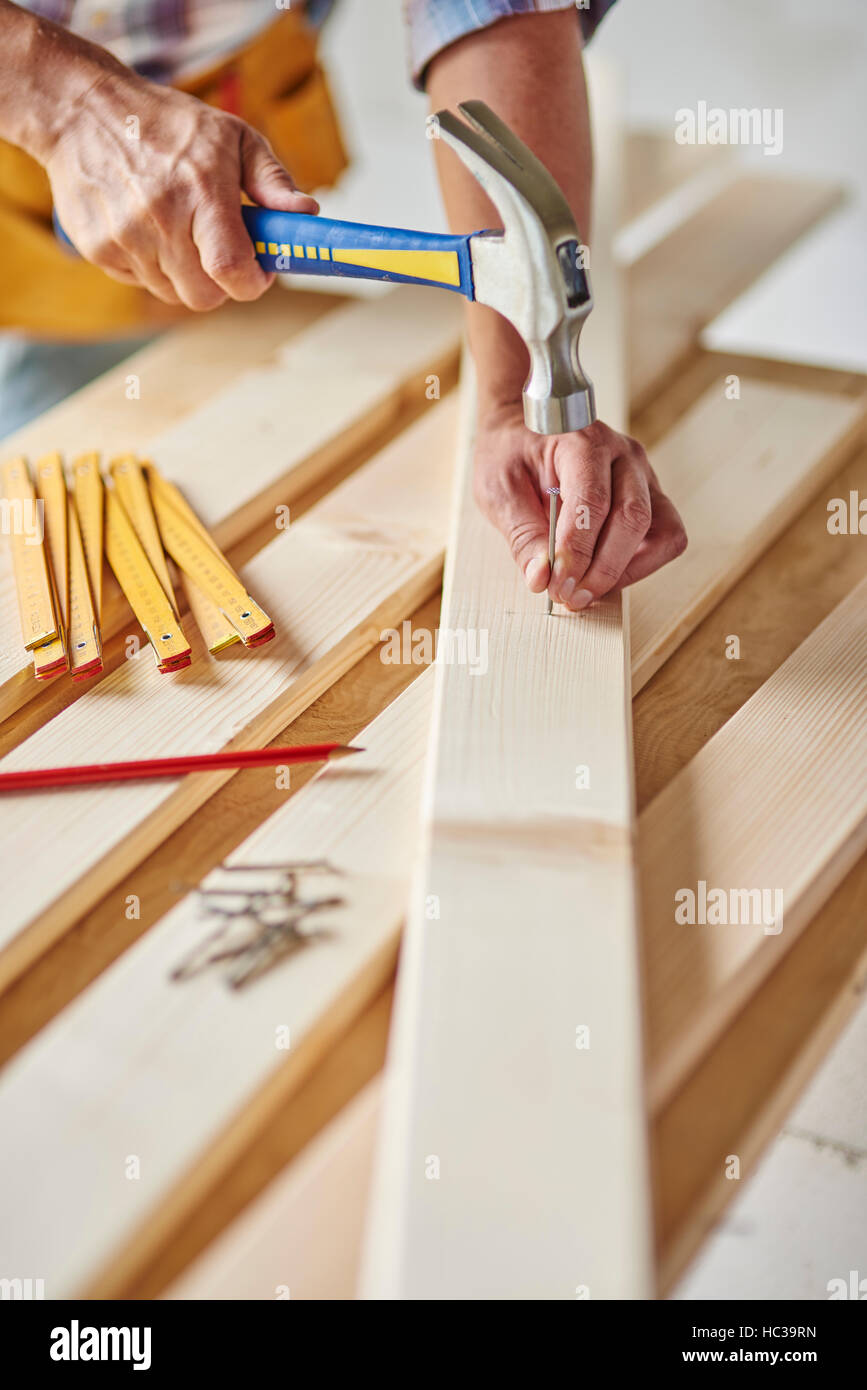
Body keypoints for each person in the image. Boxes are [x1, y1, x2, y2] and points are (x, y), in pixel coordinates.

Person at [0, 0, 686, 609]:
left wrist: (515, 398)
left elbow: (493, 7)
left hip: (212, 162)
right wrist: (65, 102)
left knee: (156, 431)